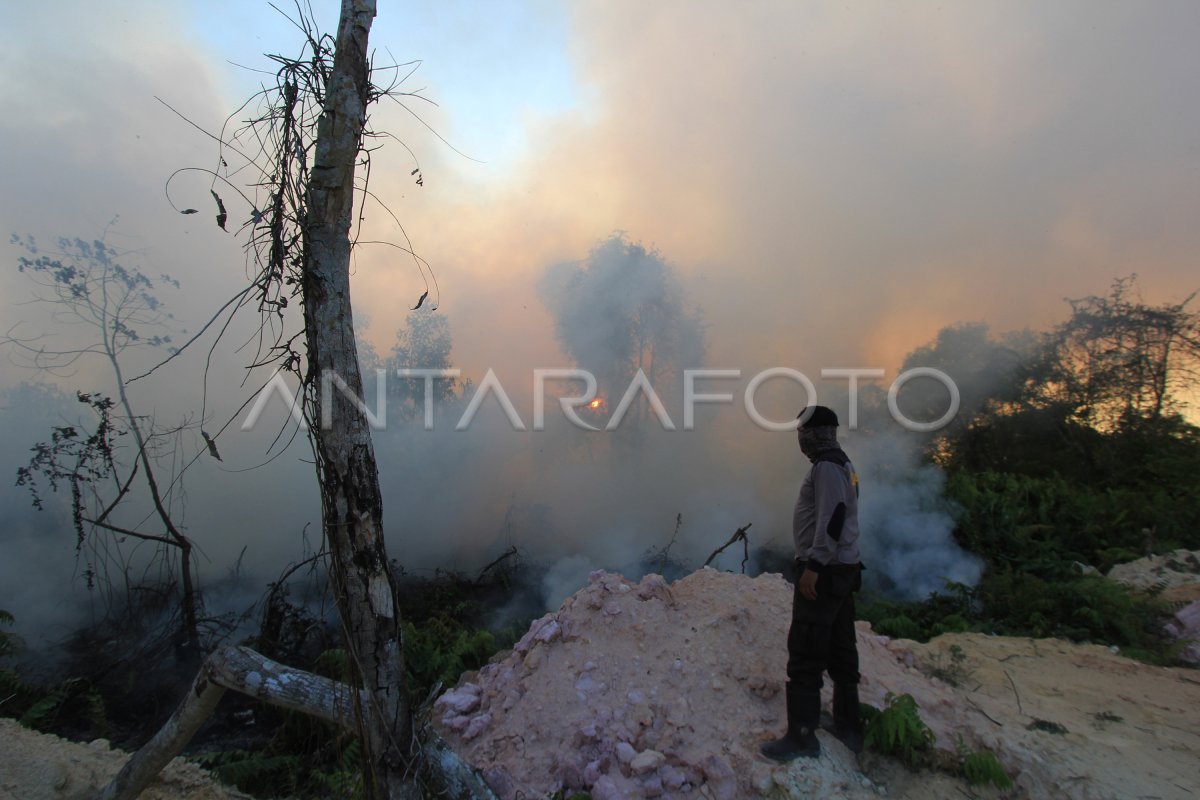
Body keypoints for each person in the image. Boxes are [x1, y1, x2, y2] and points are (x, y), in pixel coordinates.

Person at [761, 405, 864, 761]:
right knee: (840, 649)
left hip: (826, 572)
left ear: (814, 434)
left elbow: (833, 518)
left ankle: (802, 738)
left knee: (805, 653)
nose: (800, 440)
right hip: (842, 571)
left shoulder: (826, 468)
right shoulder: (842, 463)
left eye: (802, 432)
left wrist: (815, 565)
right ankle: (849, 726)